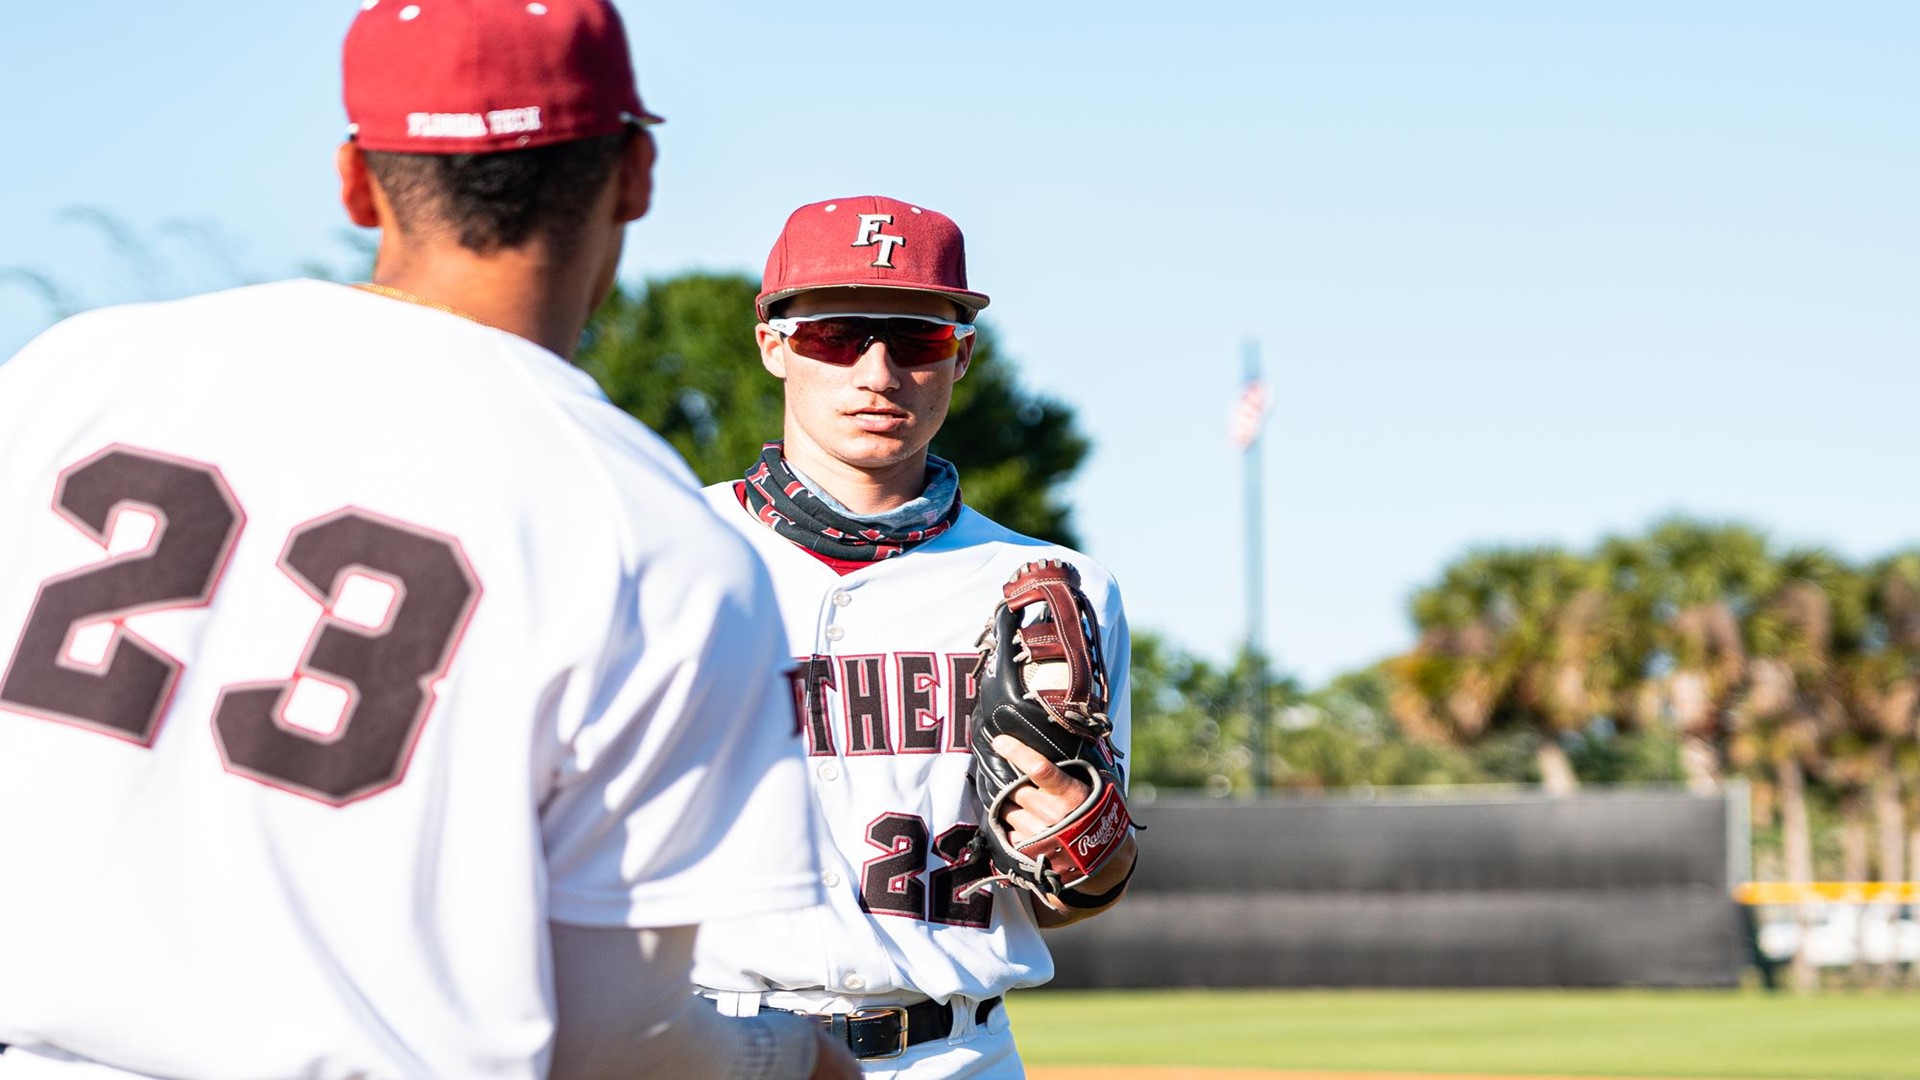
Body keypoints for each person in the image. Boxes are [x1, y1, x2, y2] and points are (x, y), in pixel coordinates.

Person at [0, 3, 855, 1078]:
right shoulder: (648, 529)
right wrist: (789, 1058)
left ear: (356, 179)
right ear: (637, 172)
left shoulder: (74, 375)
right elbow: (612, 1042)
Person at [690, 196, 1139, 1077]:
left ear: (961, 355)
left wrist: (1090, 855)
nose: (877, 371)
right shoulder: (667, 553)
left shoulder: (1055, 587)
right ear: (773, 344)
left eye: (917, 339)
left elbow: (1074, 894)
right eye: (836, 335)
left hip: (952, 1051)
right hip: (712, 1040)